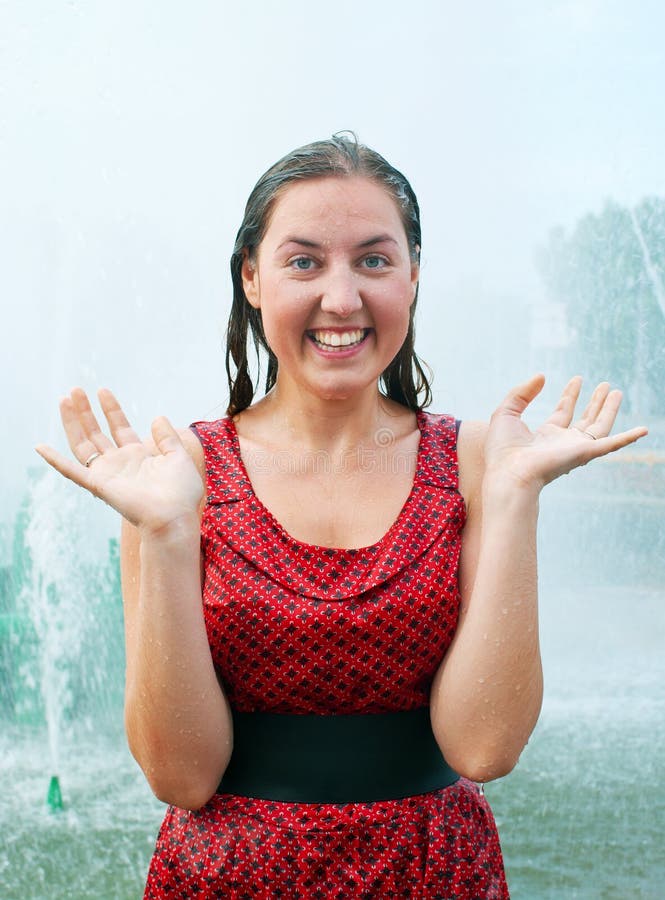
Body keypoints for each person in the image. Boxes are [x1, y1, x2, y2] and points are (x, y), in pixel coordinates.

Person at [37, 135, 647, 899]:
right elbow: (181, 775)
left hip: (433, 871)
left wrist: (515, 494)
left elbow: (484, 747)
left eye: (373, 260)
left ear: (413, 276)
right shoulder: (175, 477)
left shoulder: (475, 461)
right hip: (228, 878)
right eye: (303, 262)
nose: (341, 297)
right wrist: (163, 536)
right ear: (251, 279)